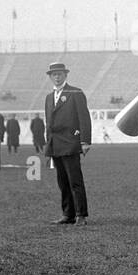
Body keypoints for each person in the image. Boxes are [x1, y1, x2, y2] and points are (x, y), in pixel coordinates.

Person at [44, 62, 92, 226]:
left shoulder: (75, 93)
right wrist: (48, 146)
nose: (57, 77)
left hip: (71, 143)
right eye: (54, 74)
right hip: (56, 145)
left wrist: (85, 141)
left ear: (65, 75)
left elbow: (84, 118)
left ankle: (81, 214)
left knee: (75, 181)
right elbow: (48, 124)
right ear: (50, 77)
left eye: (59, 74)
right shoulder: (49, 97)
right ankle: (68, 214)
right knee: (62, 181)